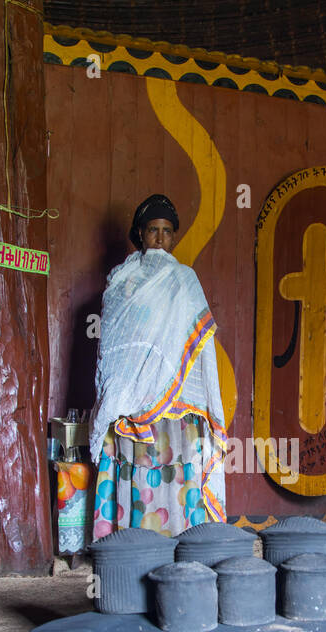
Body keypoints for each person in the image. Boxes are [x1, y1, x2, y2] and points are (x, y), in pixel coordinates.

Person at [90, 194, 227, 538]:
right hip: (131, 401)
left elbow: (199, 345)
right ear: (140, 234)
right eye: (153, 230)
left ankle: (178, 538)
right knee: (136, 467)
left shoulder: (184, 280)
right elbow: (115, 345)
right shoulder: (121, 281)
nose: (160, 238)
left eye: (167, 231)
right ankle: (130, 540)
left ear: (175, 236)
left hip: (174, 401)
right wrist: (126, 389)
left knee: (172, 469)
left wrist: (187, 389)